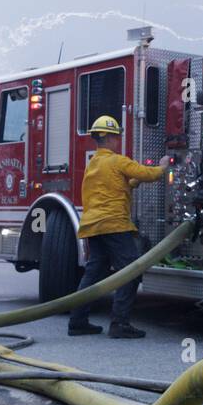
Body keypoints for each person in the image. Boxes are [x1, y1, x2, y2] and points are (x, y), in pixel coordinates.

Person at [67, 115, 167, 339]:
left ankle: (77, 321)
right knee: (130, 272)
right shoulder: (118, 161)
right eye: (117, 137)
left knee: (93, 274)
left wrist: (131, 182)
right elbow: (146, 173)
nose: (119, 141)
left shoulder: (93, 164)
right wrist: (162, 167)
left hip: (94, 226)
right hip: (114, 225)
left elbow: (110, 187)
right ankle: (120, 323)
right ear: (111, 138)